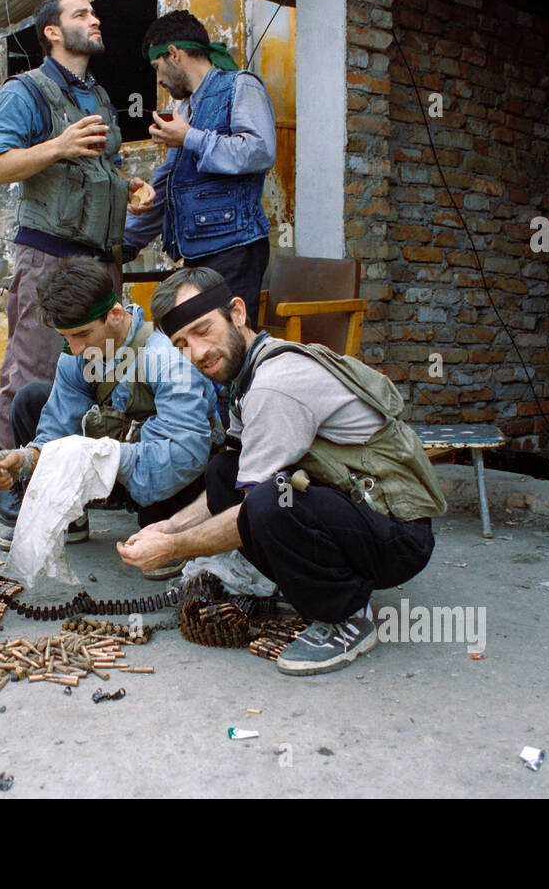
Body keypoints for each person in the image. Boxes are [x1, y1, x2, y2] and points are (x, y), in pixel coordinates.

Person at [117, 267, 447, 676]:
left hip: (398, 535)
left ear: (237, 313)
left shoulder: (274, 384)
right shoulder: (247, 374)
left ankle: (346, 617)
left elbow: (249, 513)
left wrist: (173, 549)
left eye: (204, 331)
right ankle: (298, 581)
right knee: (225, 468)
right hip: (357, 513)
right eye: (181, 344)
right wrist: (169, 526)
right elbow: (236, 476)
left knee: (269, 503)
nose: (197, 353)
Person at [0, 0, 154, 523]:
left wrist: (129, 186)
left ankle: (69, 485)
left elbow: (99, 169)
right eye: (81, 14)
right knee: (31, 371)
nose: (94, 19)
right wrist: (56, 145)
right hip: (49, 256)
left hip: (102, 261)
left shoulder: (99, 96)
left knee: (97, 370)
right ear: (53, 32)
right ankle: (11, 487)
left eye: (93, 13)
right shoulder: (25, 91)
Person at [0, 257, 217, 577]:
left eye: (83, 334)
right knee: (31, 399)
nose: (76, 348)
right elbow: (58, 424)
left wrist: (105, 456)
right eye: (67, 337)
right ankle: (68, 516)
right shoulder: (75, 356)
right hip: (115, 466)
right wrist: (27, 459)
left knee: (168, 470)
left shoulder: (165, 357)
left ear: (116, 315)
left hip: (166, 473)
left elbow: (186, 452)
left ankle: (171, 534)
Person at [123, 9, 277, 327]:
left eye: (157, 67)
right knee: (202, 347)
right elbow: (169, 182)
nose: (159, 80)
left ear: (174, 55)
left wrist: (190, 137)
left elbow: (259, 151)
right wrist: (125, 241)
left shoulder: (241, 85)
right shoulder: (186, 108)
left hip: (236, 248)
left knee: (231, 347)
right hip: (198, 253)